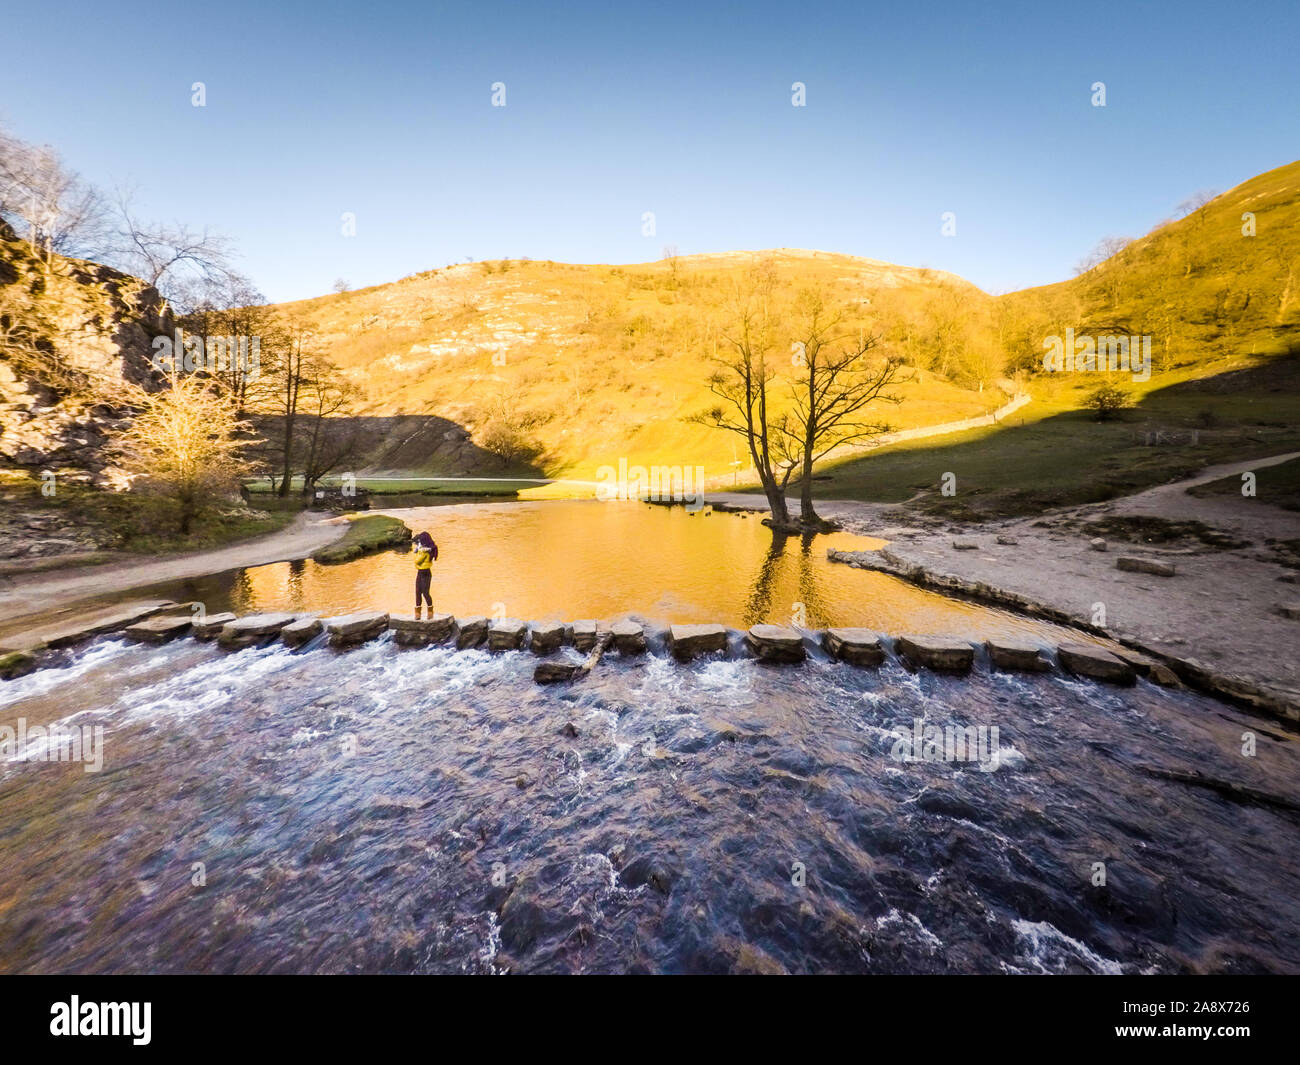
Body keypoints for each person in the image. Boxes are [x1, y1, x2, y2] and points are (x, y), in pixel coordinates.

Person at [412, 531, 438, 618]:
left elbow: (416, 561)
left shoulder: (424, 552)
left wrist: (418, 552)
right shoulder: (424, 550)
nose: (418, 544)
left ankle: (430, 612)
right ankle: (418, 613)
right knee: (418, 591)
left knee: (425, 592)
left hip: (425, 573)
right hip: (420, 572)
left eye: (420, 542)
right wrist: (418, 551)